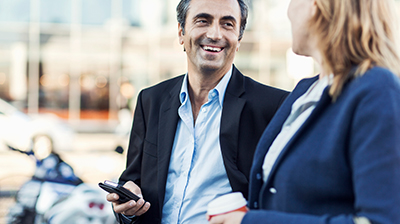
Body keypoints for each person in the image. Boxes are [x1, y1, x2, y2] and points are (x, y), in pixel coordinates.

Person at [208, 0, 400, 223]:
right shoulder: (304, 92)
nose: (288, 11)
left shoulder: (376, 89)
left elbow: (381, 219)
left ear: (316, 5)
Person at [106, 0, 289, 223]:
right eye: (203, 21)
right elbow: (131, 182)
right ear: (181, 32)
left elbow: (284, 200)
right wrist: (128, 205)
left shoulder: (274, 107)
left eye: (228, 24)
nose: (215, 34)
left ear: (239, 39)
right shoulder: (151, 100)